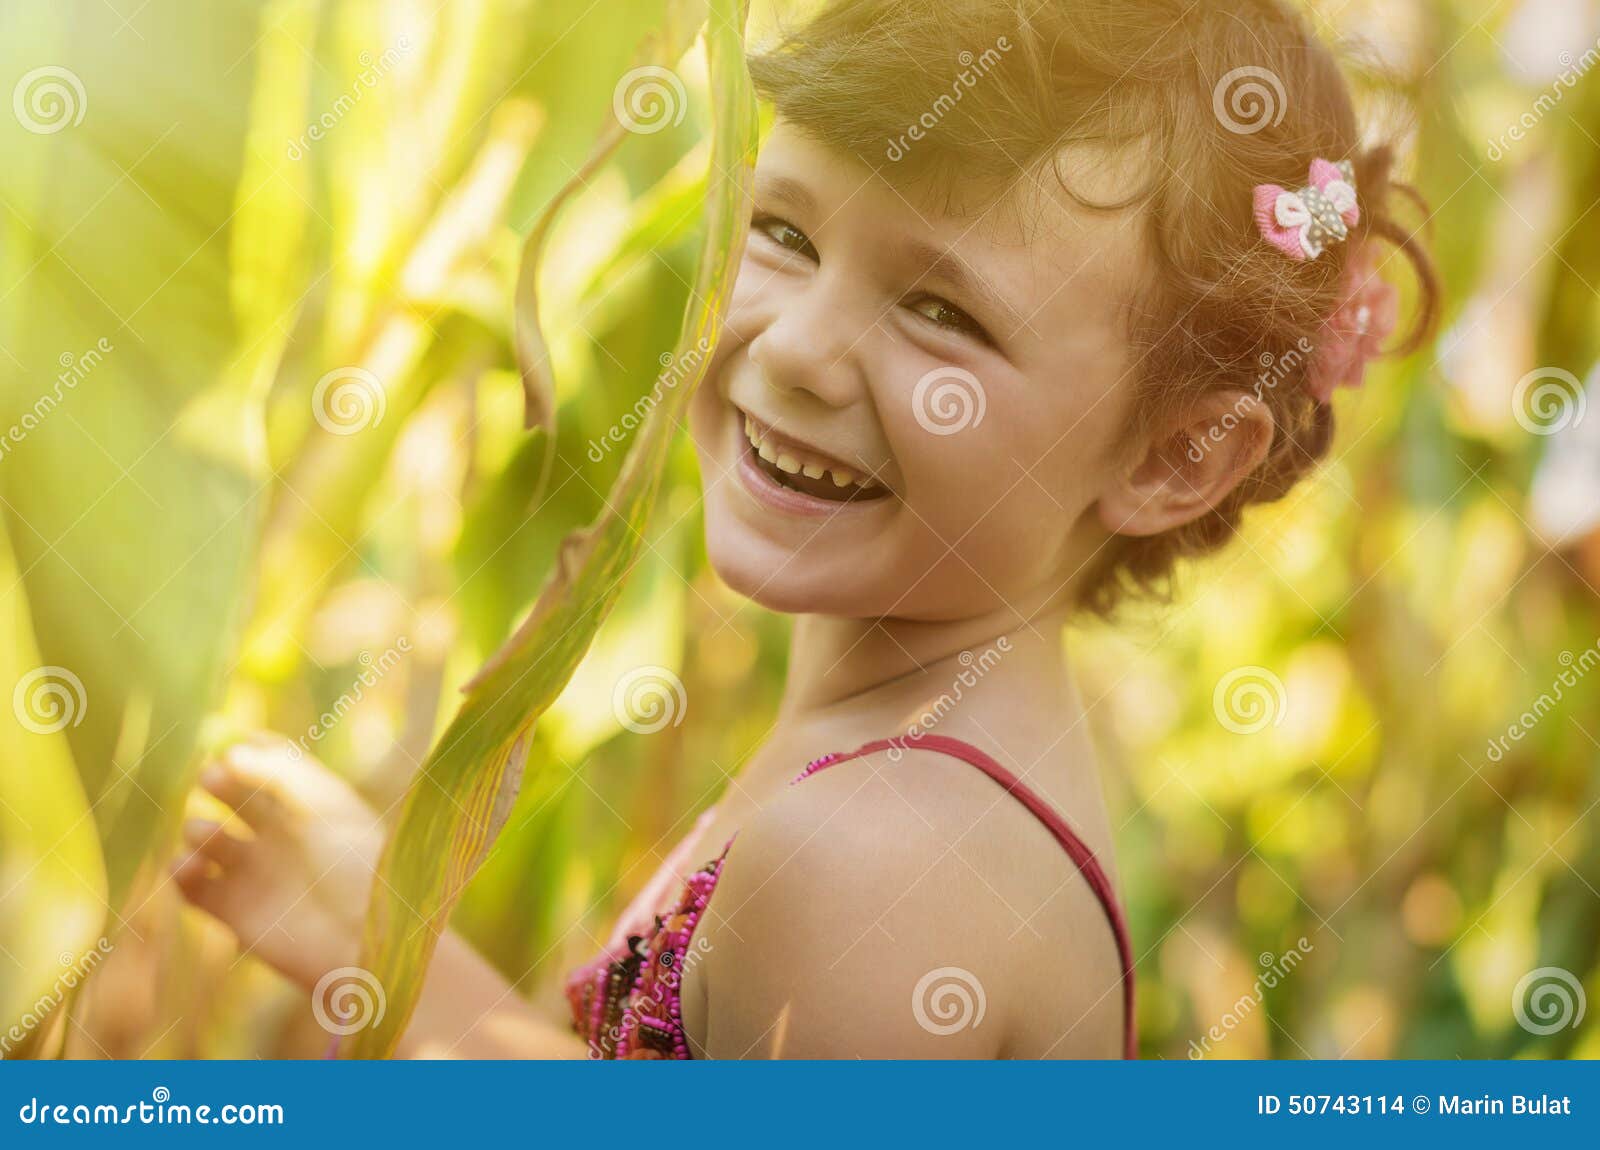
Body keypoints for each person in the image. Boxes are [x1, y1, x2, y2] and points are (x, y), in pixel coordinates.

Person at [172, 0, 1438, 1059]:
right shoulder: (901, 771)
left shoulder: (875, 863)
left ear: (1178, 456)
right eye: (780, 231)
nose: (796, 349)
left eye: (945, 312)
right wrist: (376, 931)